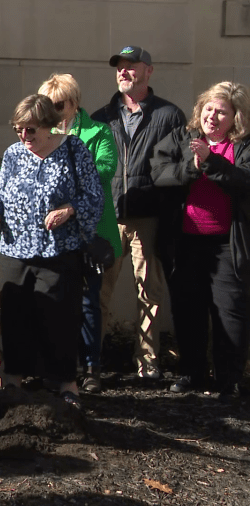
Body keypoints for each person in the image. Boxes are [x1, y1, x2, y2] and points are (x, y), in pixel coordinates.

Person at [0, 94, 103, 409]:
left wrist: (69, 210)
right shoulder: (13, 154)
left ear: (48, 126)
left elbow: (94, 195)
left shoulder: (73, 150)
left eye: (31, 130)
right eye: (19, 130)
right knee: (15, 317)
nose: (25, 137)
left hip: (58, 251)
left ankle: (67, 385)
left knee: (59, 318)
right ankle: (13, 383)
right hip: (15, 250)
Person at [91, 46, 186, 380]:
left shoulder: (169, 115)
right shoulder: (102, 118)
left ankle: (147, 362)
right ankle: (92, 362)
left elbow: (178, 167)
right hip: (109, 217)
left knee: (150, 293)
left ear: (149, 71)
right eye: (119, 67)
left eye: (132, 67)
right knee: (99, 291)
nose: (124, 72)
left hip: (148, 217)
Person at [150, 81, 250, 400]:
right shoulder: (183, 138)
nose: (212, 116)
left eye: (221, 111)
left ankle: (229, 380)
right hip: (186, 244)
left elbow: (244, 181)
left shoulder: (244, 145)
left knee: (229, 313)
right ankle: (191, 373)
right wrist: (192, 166)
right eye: (208, 108)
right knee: (188, 310)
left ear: (236, 117)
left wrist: (212, 162)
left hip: (228, 245)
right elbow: (159, 173)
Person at [39, 74, 122, 393]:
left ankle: (91, 368)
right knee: (55, 300)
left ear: (74, 103)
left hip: (90, 233)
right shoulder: (41, 135)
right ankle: (61, 366)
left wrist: (64, 178)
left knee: (90, 301)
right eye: (49, 105)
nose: (55, 111)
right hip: (55, 236)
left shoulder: (98, 132)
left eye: (59, 105)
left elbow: (104, 169)